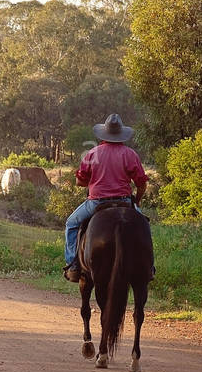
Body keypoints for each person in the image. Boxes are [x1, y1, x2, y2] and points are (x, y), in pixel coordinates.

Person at [63, 113, 149, 282]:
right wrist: (137, 200)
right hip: (124, 201)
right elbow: (141, 184)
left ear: (104, 133)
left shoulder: (92, 153)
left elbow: (80, 181)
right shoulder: (130, 154)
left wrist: (90, 180)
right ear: (121, 134)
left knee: (71, 224)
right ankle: (148, 267)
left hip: (96, 203)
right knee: (144, 226)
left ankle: (73, 265)